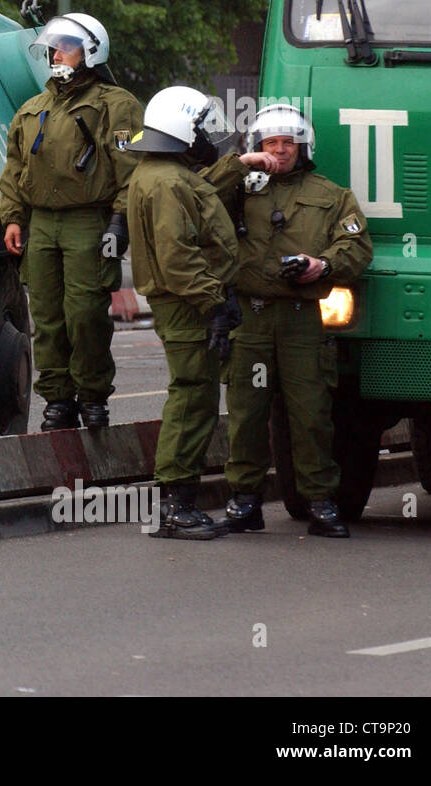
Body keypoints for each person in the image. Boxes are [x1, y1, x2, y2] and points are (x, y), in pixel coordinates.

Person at [220, 104, 372, 538]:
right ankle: (244, 502)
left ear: (304, 147)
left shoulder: (332, 195)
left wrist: (322, 266)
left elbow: (357, 247)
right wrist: (240, 164)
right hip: (250, 320)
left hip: (303, 321)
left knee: (311, 415)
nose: (280, 151)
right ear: (257, 146)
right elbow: (196, 195)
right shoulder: (239, 188)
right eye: (271, 143)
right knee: (247, 414)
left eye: (289, 143)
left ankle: (321, 503)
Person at [0, 12, 141, 431]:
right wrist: (12, 218)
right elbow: (14, 170)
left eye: (67, 46)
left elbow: (132, 168)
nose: (57, 54)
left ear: (91, 52)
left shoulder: (117, 105)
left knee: (86, 314)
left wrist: (119, 221)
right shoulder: (32, 109)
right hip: (40, 223)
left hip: (87, 221)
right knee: (46, 317)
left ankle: (92, 394)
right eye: (54, 46)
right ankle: (58, 398)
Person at [125, 86, 248, 539]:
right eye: (198, 126)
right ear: (179, 128)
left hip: (186, 300)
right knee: (193, 396)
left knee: (193, 395)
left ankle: (176, 504)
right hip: (187, 304)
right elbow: (177, 256)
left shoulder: (163, 173)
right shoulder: (169, 181)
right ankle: (175, 506)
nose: (205, 136)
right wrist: (214, 303)